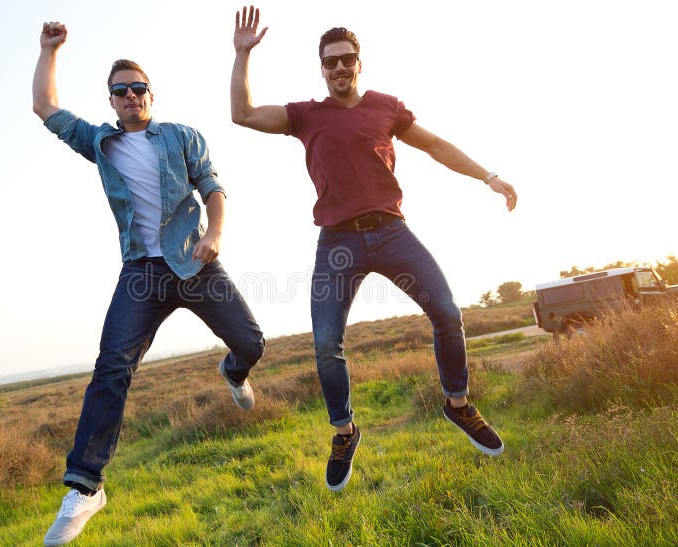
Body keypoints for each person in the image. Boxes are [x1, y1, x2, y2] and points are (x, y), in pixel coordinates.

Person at [230, 6, 517, 492]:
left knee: (447, 313)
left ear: (359, 63)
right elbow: (243, 114)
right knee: (325, 344)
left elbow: (436, 145)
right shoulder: (306, 115)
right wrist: (242, 56)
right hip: (338, 241)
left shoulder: (386, 106)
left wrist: (488, 176)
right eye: (330, 61)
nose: (339, 67)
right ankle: (344, 431)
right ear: (321, 68)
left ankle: (458, 405)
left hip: (391, 232)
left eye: (347, 59)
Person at [33, 21, 265, 545]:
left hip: (195, 262)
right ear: (112, 101)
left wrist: (218, 235)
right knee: (111, 367)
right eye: (121, 90)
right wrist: (49, 51)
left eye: (139, 88)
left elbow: (214, 188)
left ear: (151, 96)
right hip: (141, 272)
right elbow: (45, 107)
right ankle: (86, 486)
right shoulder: (99, 142)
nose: (131, 95)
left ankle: (233, 371)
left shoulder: (181, 136)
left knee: (252, 343)